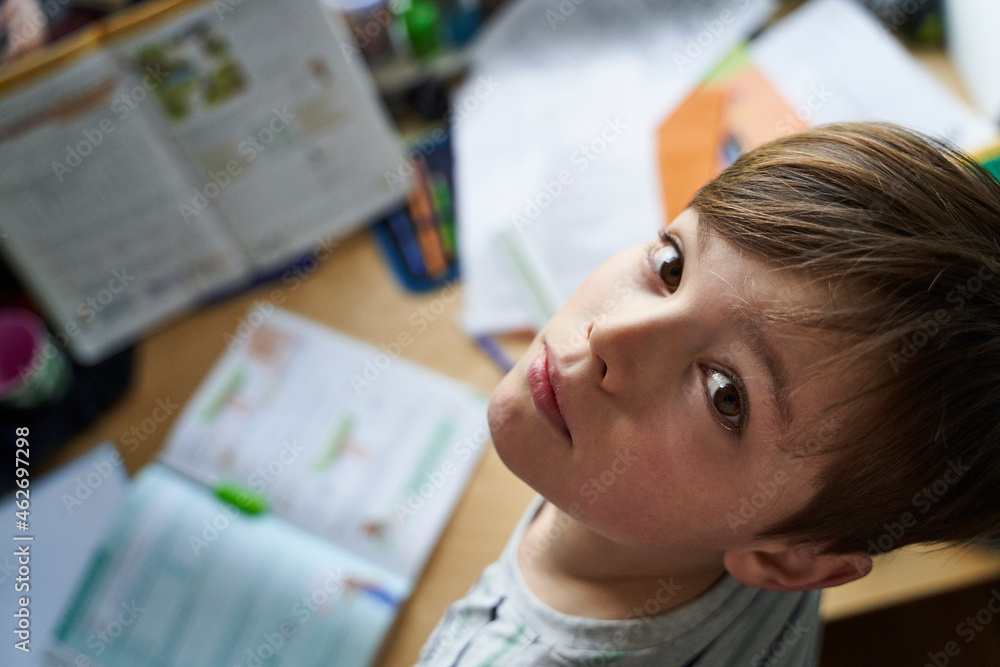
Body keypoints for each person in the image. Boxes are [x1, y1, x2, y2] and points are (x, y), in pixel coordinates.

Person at [417, 122, 1000, 666]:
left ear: (786, 560)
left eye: (727, 395)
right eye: (672, 265)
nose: (611, 334)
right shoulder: (761, 527)